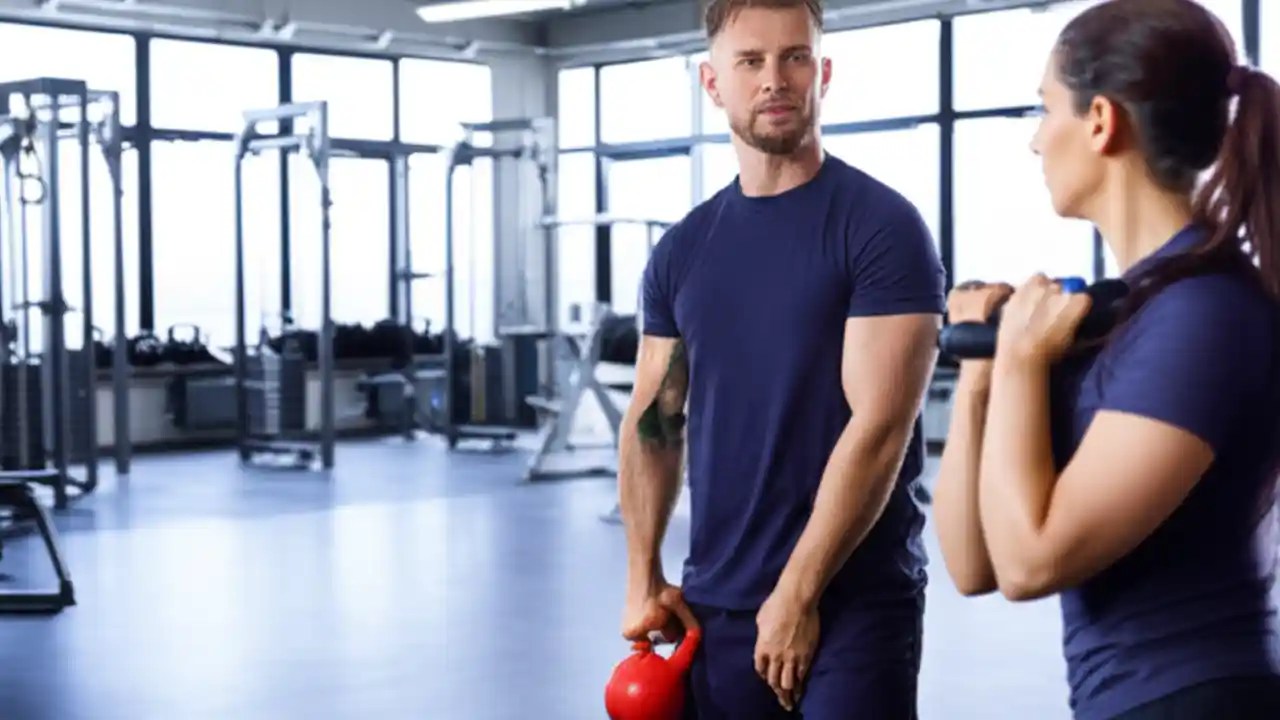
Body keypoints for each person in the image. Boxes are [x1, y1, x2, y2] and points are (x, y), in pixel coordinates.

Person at [932, 0, 1280, 718]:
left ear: (1099, 120)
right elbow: (975, 563)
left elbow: (1033, 563)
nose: (1035, 142)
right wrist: (984, 372)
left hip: (1199, 698)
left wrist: (1025, 362)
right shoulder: (1144, 304)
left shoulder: (1205, 313)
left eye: (1044, 108)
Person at [615, 0, 946, 717]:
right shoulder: (682, 252)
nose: (775, 78)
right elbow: (655, 420)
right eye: (751, 61)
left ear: (822, 73)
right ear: (713, 84)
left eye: (795, 57)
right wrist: (643, 576)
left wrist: (797, 593)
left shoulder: (882, 228)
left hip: (852, 604)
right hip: (716, 606)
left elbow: (881, 426)